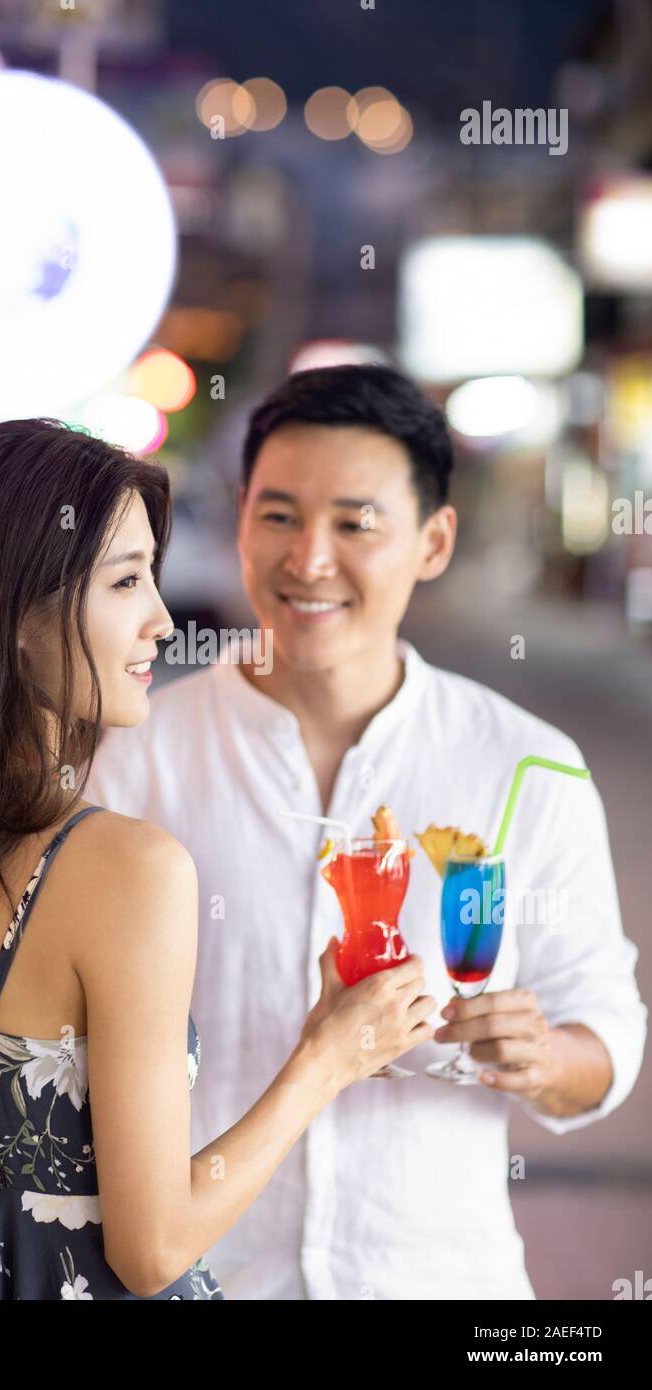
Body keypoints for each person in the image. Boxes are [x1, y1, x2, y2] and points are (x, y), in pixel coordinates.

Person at [0, 418, 435, 1301]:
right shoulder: (127, 870)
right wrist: (330, 1055)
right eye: (126, 581)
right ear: (17, 613)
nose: (162, 622)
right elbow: (153, 1246)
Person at [87, 364, 648, 1301]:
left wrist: (545, 1058)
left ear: (433, 541)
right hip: (208, 1281)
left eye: (356, 523)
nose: (309, 559)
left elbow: (608, 1038)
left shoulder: (524, 767)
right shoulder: (138, 761)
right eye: (278, 515)